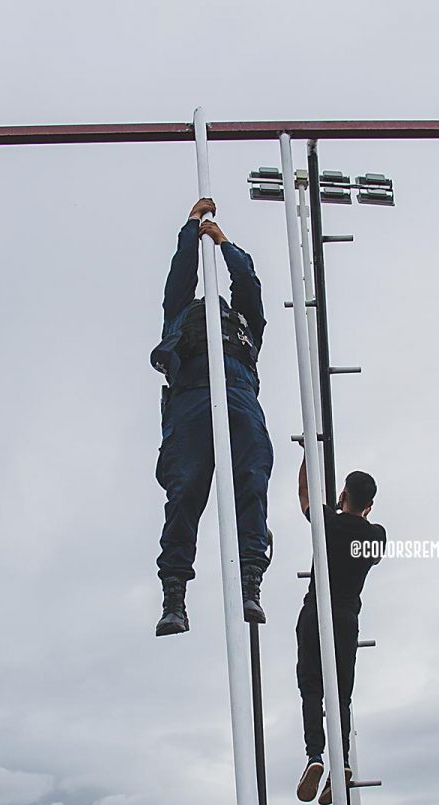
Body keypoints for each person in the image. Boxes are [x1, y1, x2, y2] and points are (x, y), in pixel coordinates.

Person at [151, 198, 272, 635]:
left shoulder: (245, 322)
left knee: (252, 484)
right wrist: (190, 229)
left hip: (238, 395)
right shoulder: (179, 314)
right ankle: (174, 595)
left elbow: (248, 282)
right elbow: (181, 277)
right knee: (183, 493)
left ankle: (249, 582)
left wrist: (224, 245)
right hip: (191, 399)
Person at [294, 458, 385, 805]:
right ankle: (341, 762)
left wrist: (307, 455)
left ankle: (315, 755)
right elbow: (372, 557)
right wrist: (357, 516)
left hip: (317, 611)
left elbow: (303, 492)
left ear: (343, 492)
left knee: (311, 688)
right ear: (371, 504)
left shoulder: (327, 523)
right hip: (347, 617)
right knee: (341, 696)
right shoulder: (376, 535)